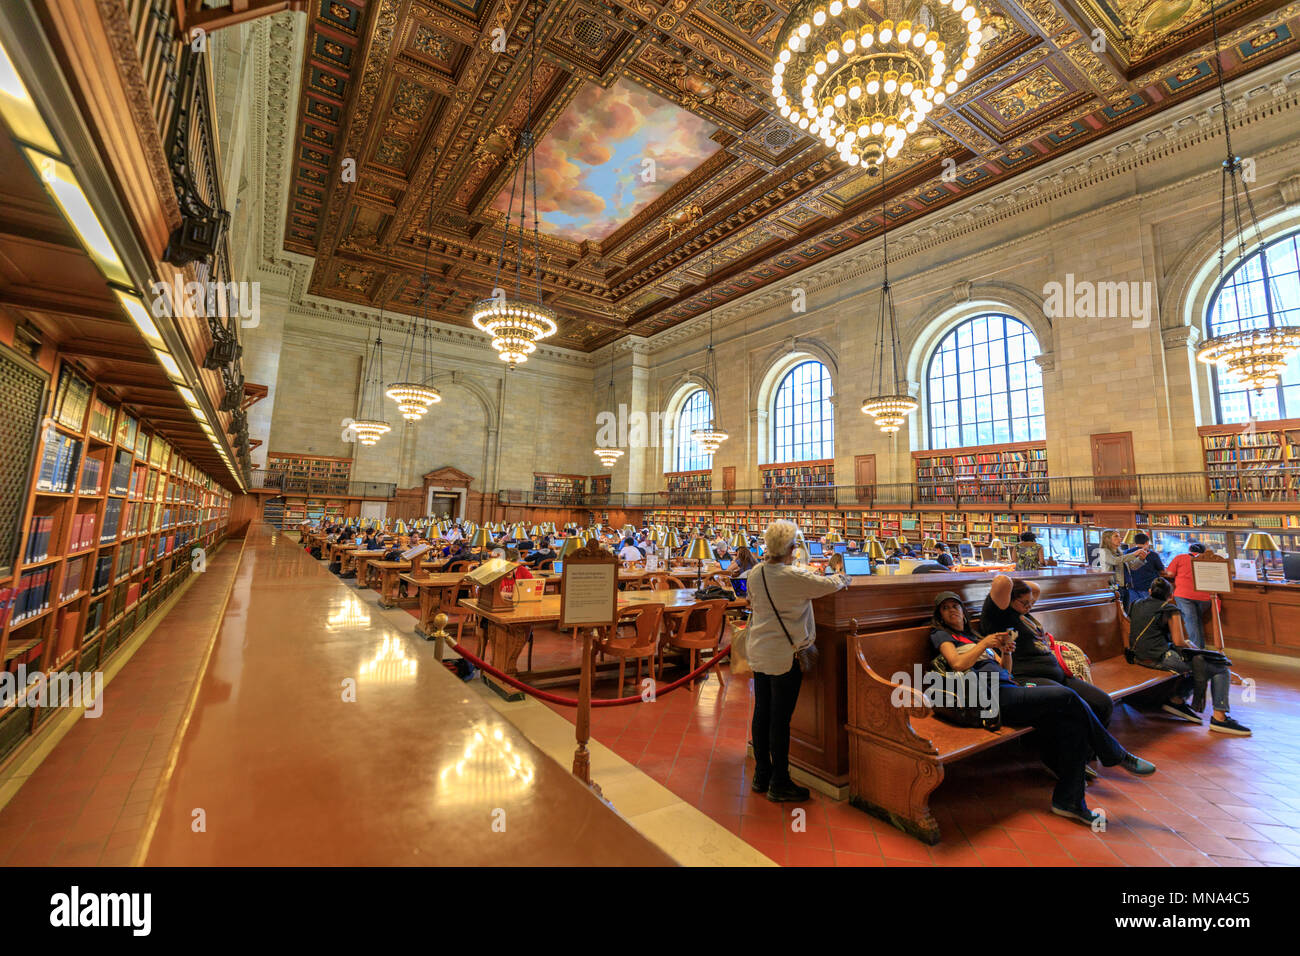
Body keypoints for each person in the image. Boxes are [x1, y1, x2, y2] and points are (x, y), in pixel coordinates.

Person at [930, 592, 1156, 825]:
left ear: (963, 612)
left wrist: (1006, 653)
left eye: (955, 606)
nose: (952, 611)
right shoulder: (941, 635)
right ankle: (1114, 753)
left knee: (1073, 724)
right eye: (945, 608)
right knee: (1067, 695)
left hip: (1009, 688)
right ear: (940, 616)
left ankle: (1069, 801)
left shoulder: (972, 636)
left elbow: (1005, 671)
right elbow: (957, 664)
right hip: (991, 699)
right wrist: (986, 643)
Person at [743, 521, 848, 802]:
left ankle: (761, 774)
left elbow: (752, 601)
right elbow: (834, 584)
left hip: (759, 651)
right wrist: (840, 572)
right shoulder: (795, 576)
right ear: (792, 548)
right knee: (780, 720)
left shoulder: (755, 573)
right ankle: (780, 782)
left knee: (762, 712)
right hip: (785, 656)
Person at [982, 574, 1115, 728]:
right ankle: (1089, 750)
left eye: (1030, 602)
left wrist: (1021, 589)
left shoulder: (1025, 615)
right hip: (1028, 677)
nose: (1029, 606)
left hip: (1057, 675)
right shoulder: (999, 617)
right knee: (1074, 707)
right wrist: (1014, 586)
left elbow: (1035, 589)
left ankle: (1092, 747)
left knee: (1103, 702)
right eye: (1024, 602)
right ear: (1008, 601)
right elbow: (1002, 581)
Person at [1128, 579, 1250, 735]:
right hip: (1159, 657)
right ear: (1170, 595)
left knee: (1200, 662)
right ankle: (1220, 718)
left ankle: (1177, 700)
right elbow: (1179, 641)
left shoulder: (1136, 604)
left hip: (1138, 655)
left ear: (1150, 592)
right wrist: (1197, 651)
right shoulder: (1169, 609)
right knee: (1219, 668)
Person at [1163, 543, 1213, 649]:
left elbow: (1170, 573)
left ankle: (1196, 649)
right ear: (1203, 552)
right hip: (1205, 597)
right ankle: (1201, 647)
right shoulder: (1207, 560)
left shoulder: (1180, 557)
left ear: (1189, 550)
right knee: (1197, 620)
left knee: (1191, 621)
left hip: (1184, 595)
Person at [1125, 533, 1165, 607]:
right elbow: (1162, 570)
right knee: (1150, 609)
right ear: (1147, 542)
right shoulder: (1152, 554)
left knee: (1134, 610)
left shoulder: (1127, 553)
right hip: (1148, 586)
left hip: (1132, 587)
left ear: (1135, 542)